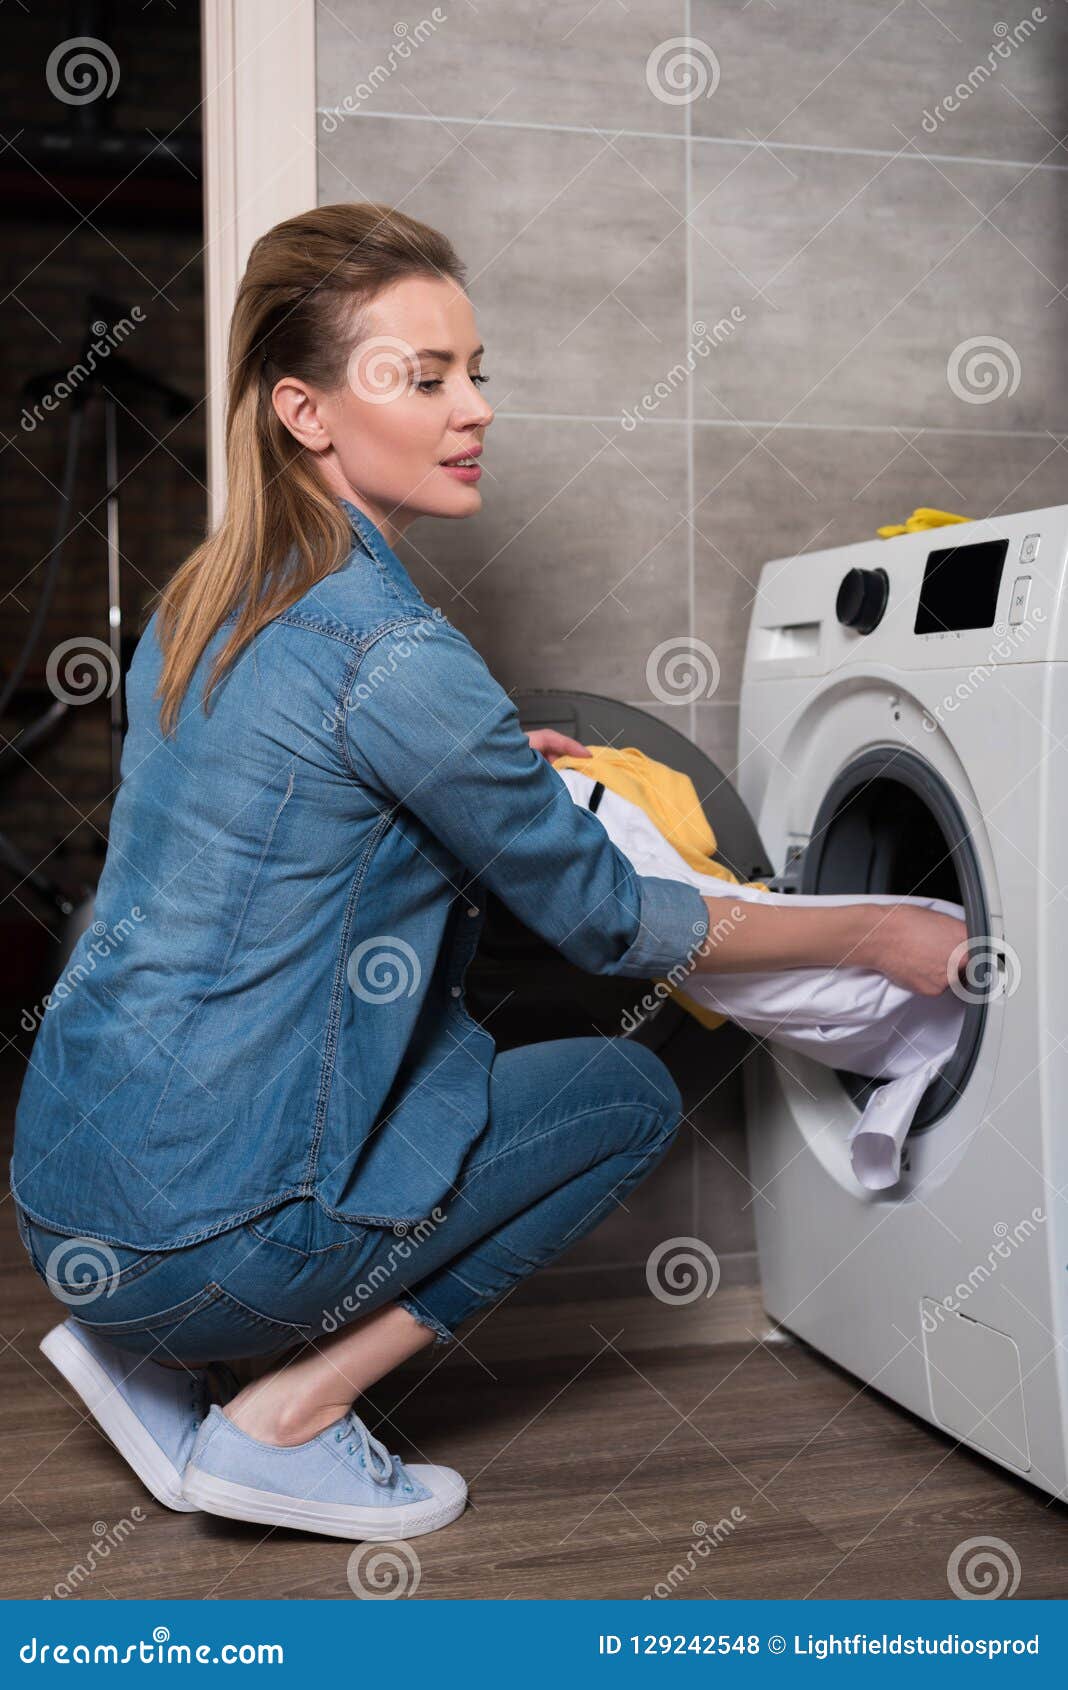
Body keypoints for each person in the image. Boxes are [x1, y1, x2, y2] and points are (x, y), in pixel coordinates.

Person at [10, 203, 968, 1542]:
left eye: (479, 369)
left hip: (68, 1200)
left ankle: (154, 1347)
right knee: (624, 1090)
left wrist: (474, 760)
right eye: (426, 376)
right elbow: (610, 921)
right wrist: (869, 937)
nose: (477, 408)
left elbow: (280, 803)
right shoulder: (399, 659)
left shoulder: (209, 604)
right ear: (307, 409)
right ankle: (279, 1415)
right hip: (203, 1239)